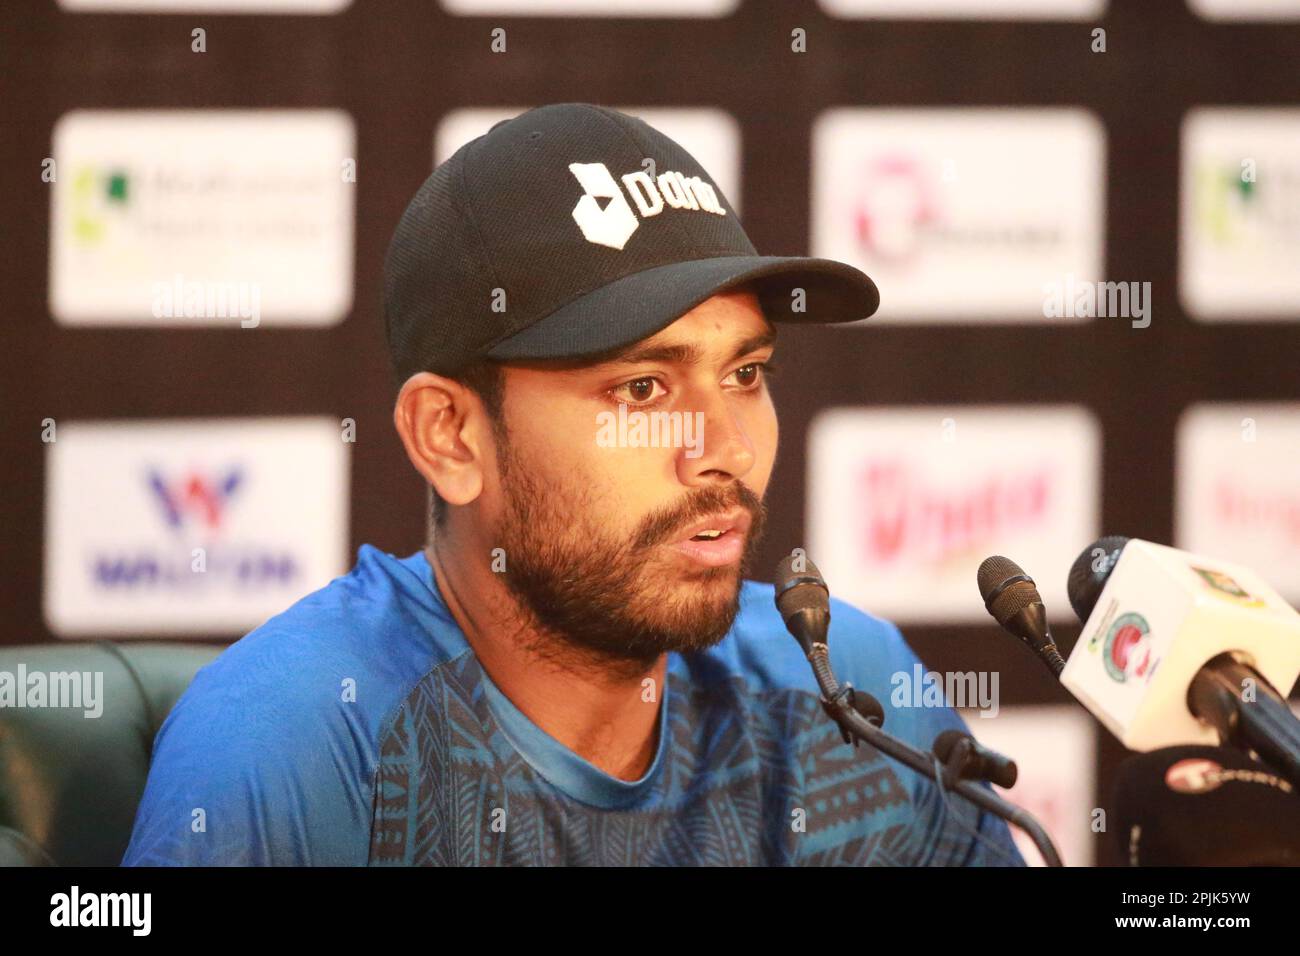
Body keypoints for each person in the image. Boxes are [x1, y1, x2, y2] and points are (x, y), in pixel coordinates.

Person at [123, 103, 1025, 866]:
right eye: (641, 389)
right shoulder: (289, 745)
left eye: (746, 375)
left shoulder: (844, 691)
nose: (727, 451)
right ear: (450, 436)